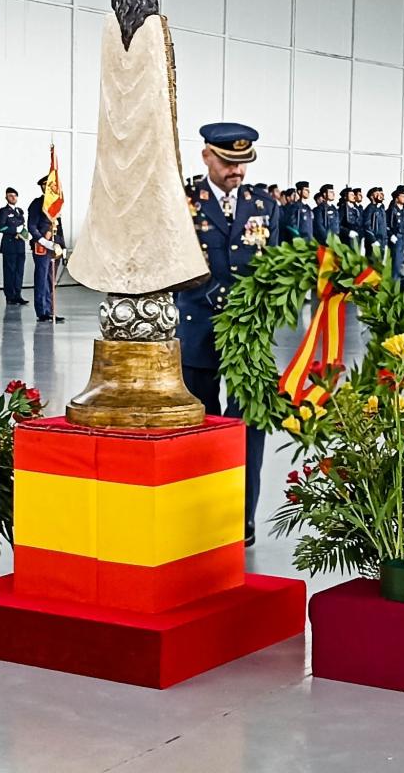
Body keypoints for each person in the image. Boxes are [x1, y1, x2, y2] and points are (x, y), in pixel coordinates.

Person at [178, 123, 278, 546]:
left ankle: (241, 518)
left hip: (252, 336)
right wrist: (222, 297)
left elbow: (281, 258)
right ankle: (197, 514)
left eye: (243, 163)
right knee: (199, 423)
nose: (237, 171)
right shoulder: (184, 202)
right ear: (206, 157)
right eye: (228, 162)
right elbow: (176, 264)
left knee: (250, 426)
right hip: (200, 328)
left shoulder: (264, 204)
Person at [27, 175, 66, 323]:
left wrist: (62, 246)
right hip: (42, 246)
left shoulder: (55, 205)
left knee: (51, 281)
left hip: (55, 248)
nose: (49, 188)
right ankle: (42, 311)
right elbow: (31, 226)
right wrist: (43, 241)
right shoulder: (37, 204)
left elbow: (59, 228)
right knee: (42, 279)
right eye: (46, 186)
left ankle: (51, 310)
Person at [0, 187, 28, 306]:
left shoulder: (20, 211)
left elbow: (23, 226)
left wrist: (24, 234)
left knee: (19, 271)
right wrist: (15, 230)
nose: (13, 198)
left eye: (15, 196)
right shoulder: (3, 211)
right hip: (9, 246)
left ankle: (18, 294)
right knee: (10, 271)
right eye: (10, 196)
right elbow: (0, 227)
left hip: (20, 245)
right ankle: (10, 296)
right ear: (6, 197)